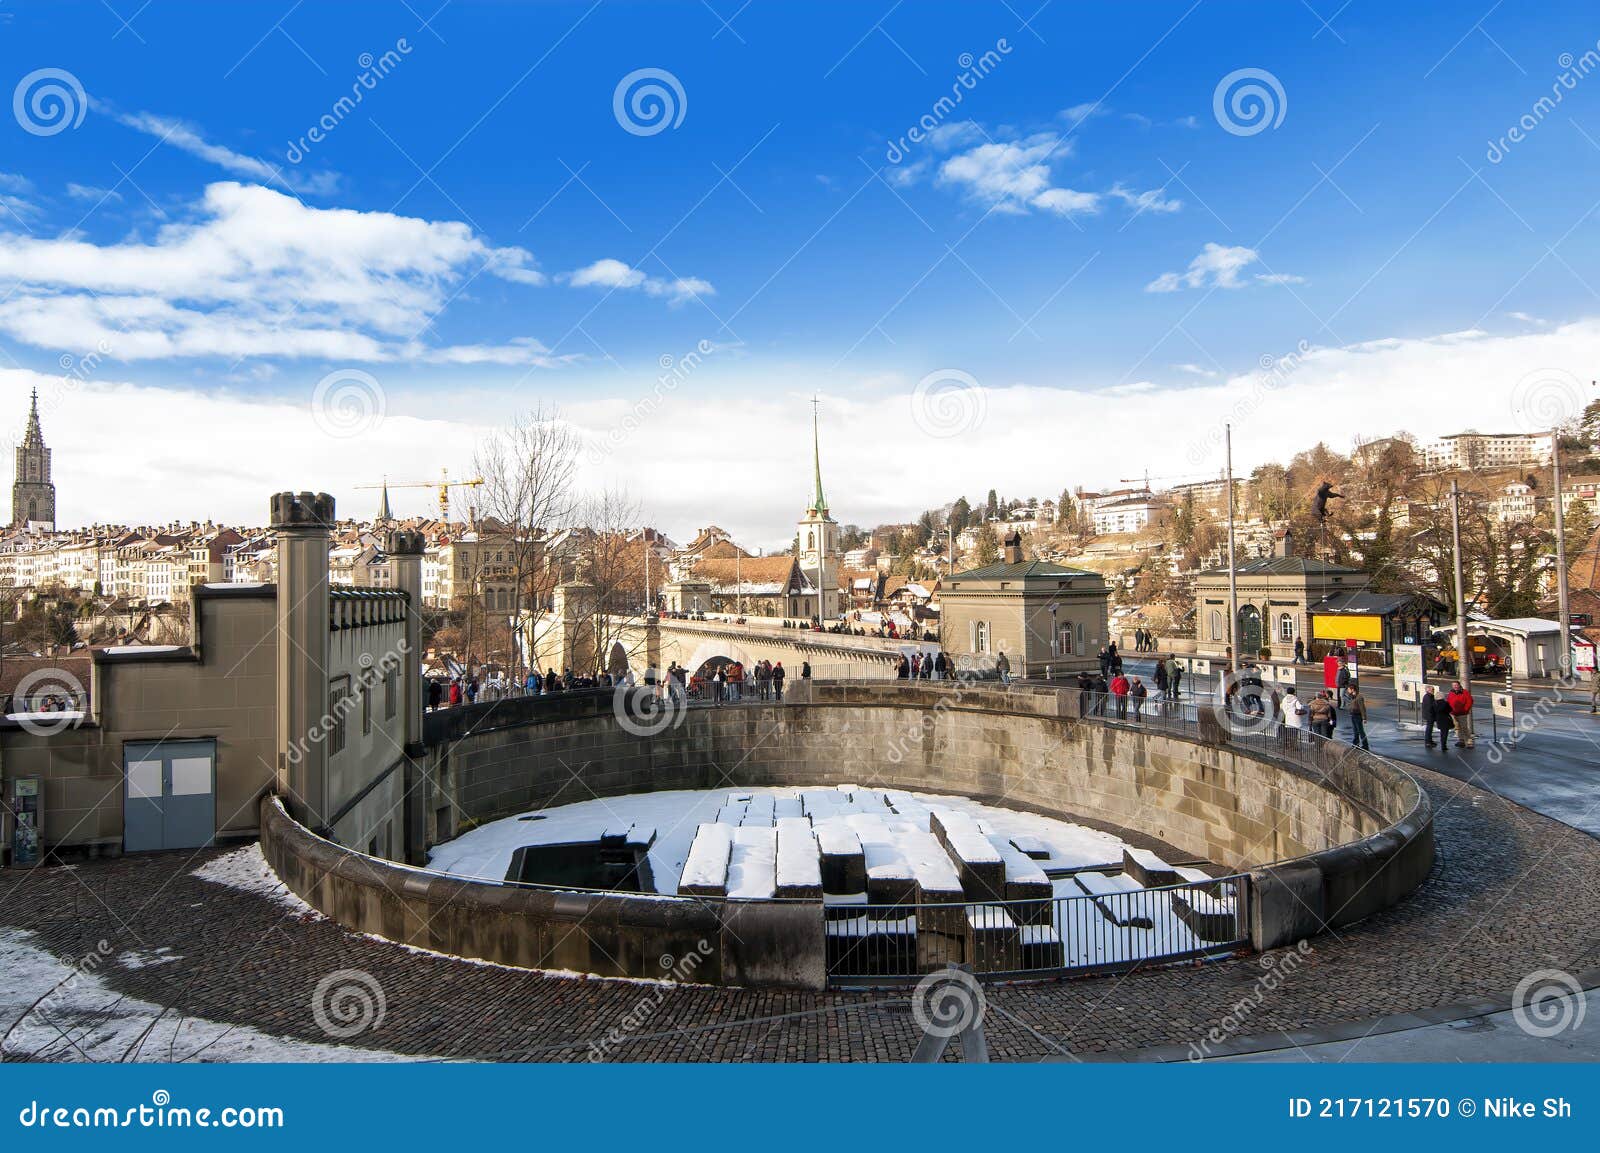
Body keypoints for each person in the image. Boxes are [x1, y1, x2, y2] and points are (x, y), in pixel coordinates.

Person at [1447, 680, 1475, 748]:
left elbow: (1470, 701)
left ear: (1459, 685)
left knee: (1464, 727)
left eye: (1456, 685)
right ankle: (1461, 740)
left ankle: (1469, 741)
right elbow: (1448, 701)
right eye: (1453, 685)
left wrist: (1465, 709)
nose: (1455, 687)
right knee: (1457, 728)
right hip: (1453, 713)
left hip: (1462, 713)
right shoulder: (1451, 692)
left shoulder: (1464, 692)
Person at [1347, 683, 1369, 750]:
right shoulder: (1351, 696)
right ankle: (1355, 744)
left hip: (1358, 716)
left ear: (1352, 689)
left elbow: (1362, 708)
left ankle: (1365, 745)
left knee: (1360, 731)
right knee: (1355, 731)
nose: (1348, 691)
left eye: (1348, 689)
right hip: (1353, 715)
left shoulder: (1359, 697)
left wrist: (1364, 718)